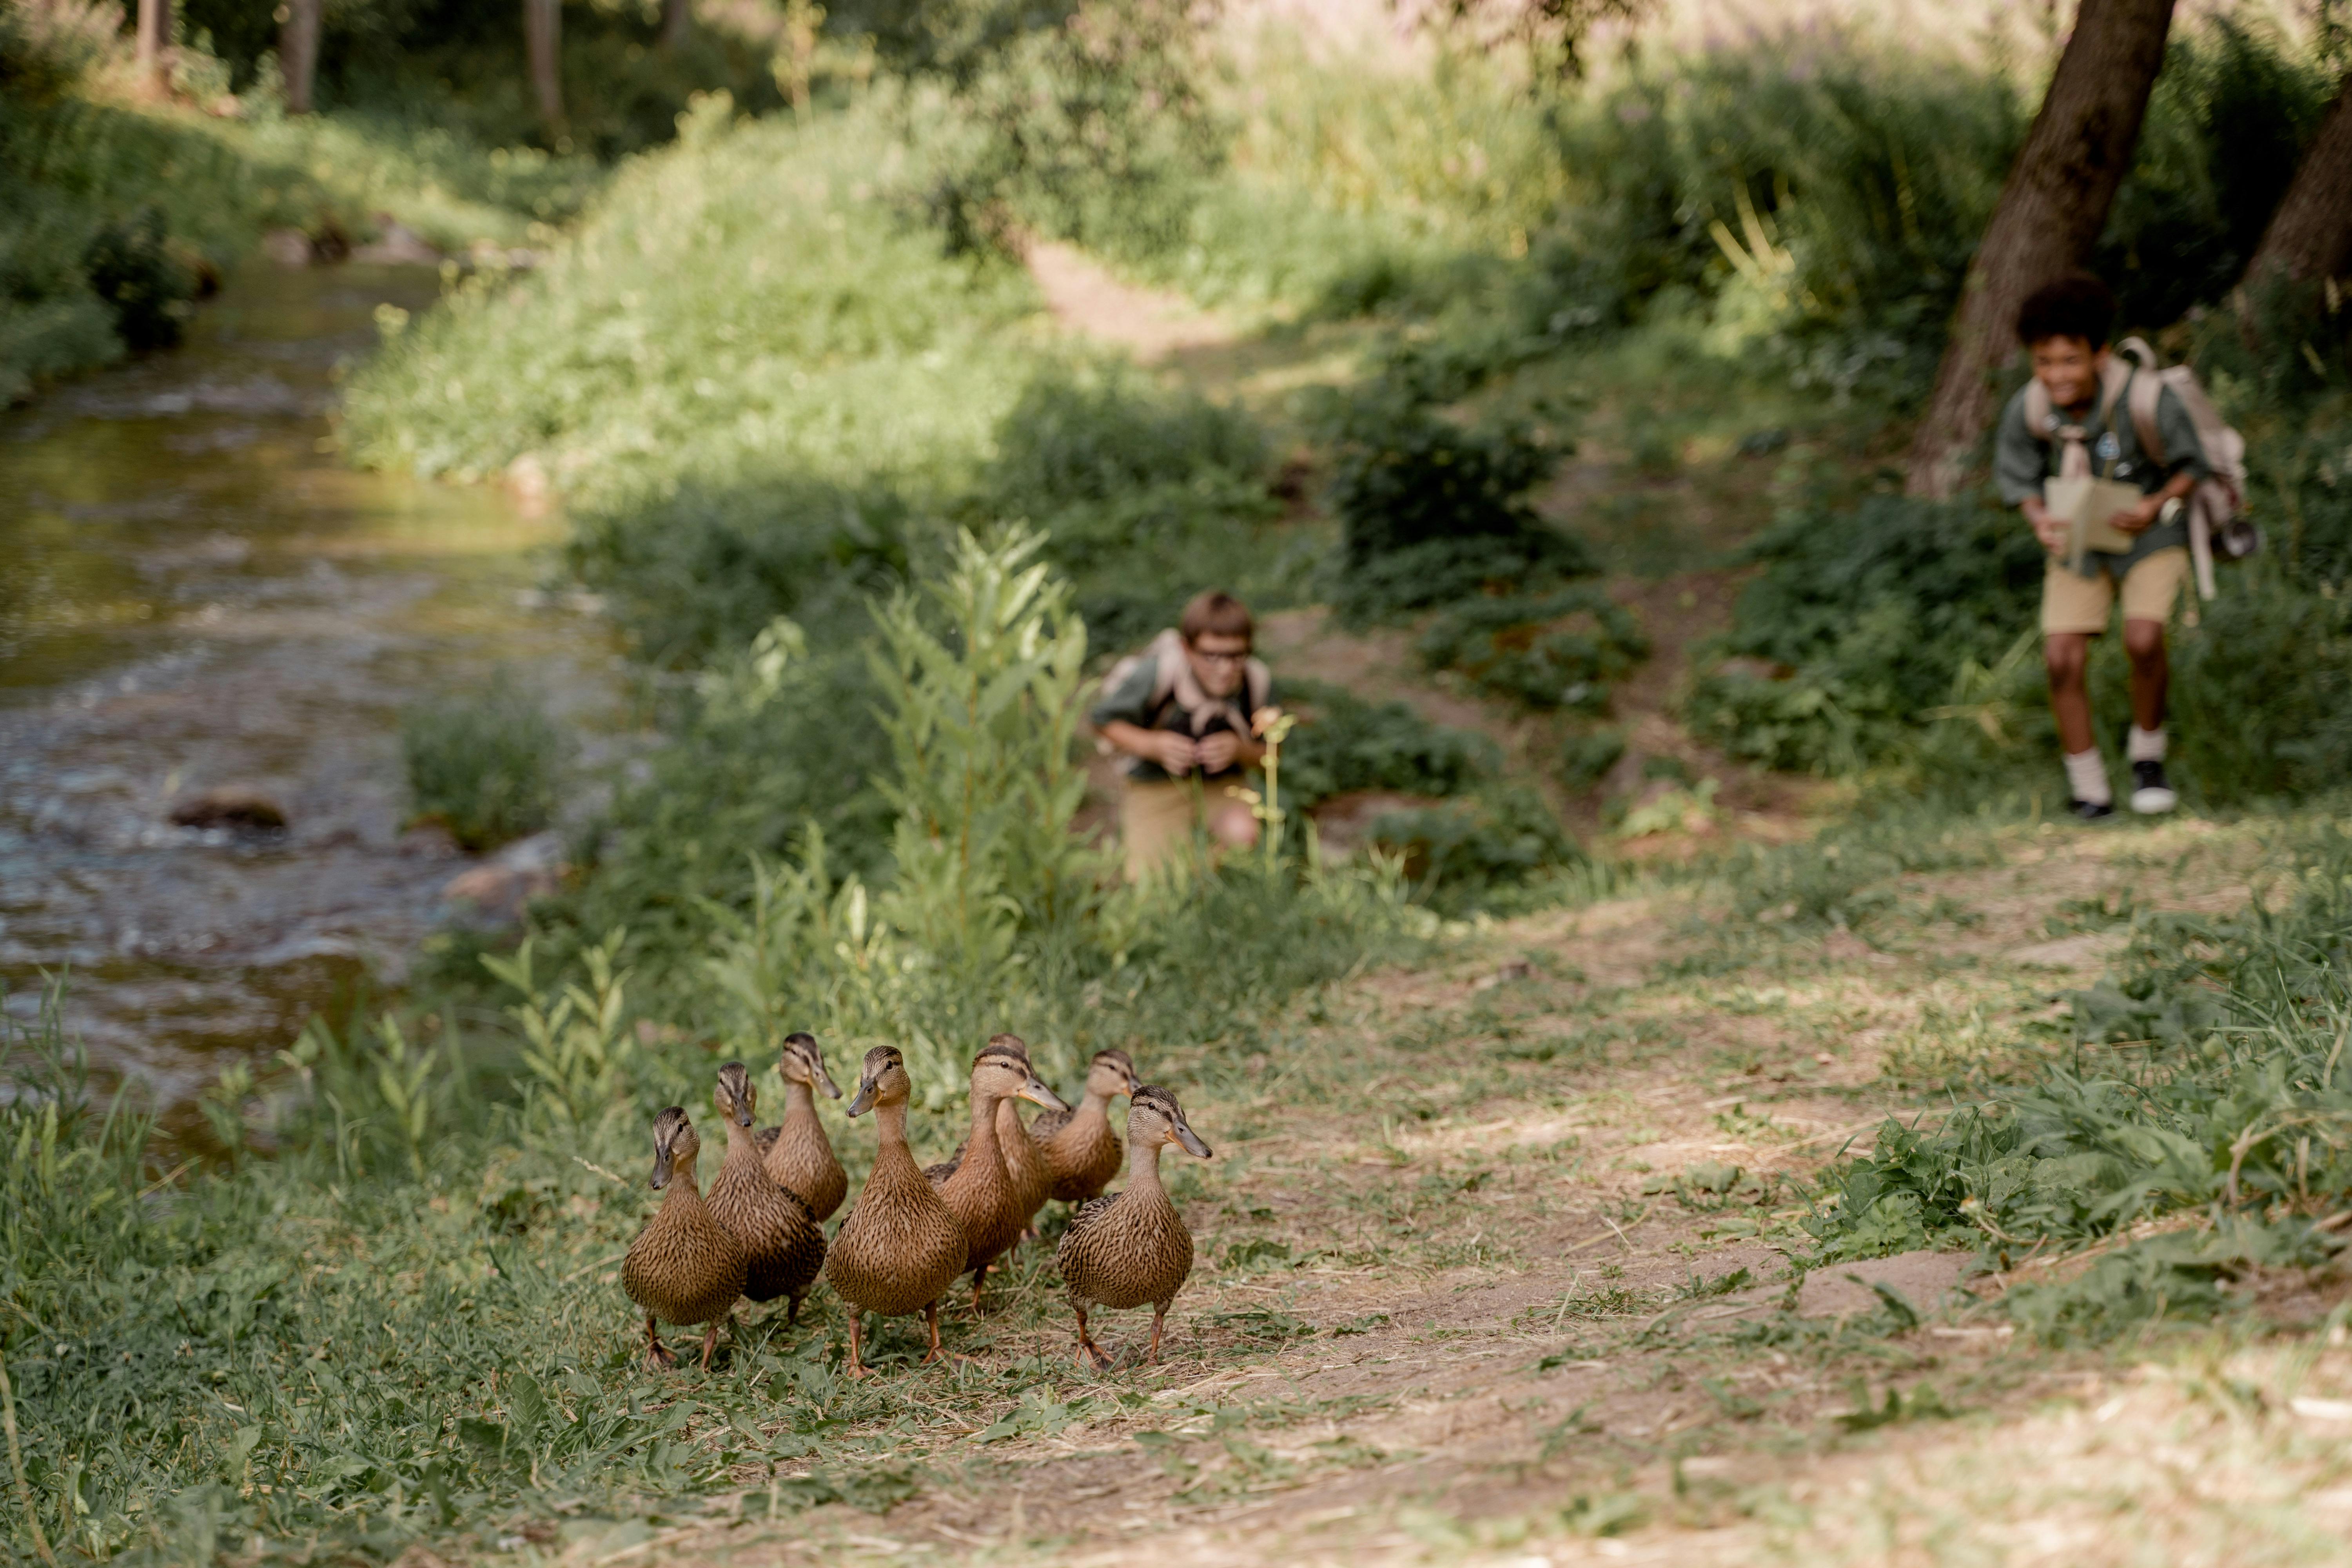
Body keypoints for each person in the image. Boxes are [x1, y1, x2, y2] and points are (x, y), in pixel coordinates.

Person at [1996, 274, 2209, 820]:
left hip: (2149, 531)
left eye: (2070, 360)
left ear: (2099, 353)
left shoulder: (2144, 397)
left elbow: (2191, 465)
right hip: (2077, 534)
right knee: (2061, 657)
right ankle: (2089, 788)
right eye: (2044, 362)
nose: (2056, 375)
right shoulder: (2032, 406)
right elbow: (2019, 476)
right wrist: (2040, 519)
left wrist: (2153, 503)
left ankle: (2148, 760)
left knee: (2143, 640)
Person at [1090, 591, 1272, 882]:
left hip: (1224, 784)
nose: (1225, 669)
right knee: (1148, 881)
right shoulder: (1157, 674)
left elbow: (1273, 754)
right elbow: (1103, 722)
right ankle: (1183, 880)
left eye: (1236, 656)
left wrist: (1240, 750)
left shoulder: (1256, 679)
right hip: (1155, 783)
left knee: (1243, 837)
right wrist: (1153, 746)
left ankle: (1206, 884)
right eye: (1212, 656)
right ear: (1186, 649)